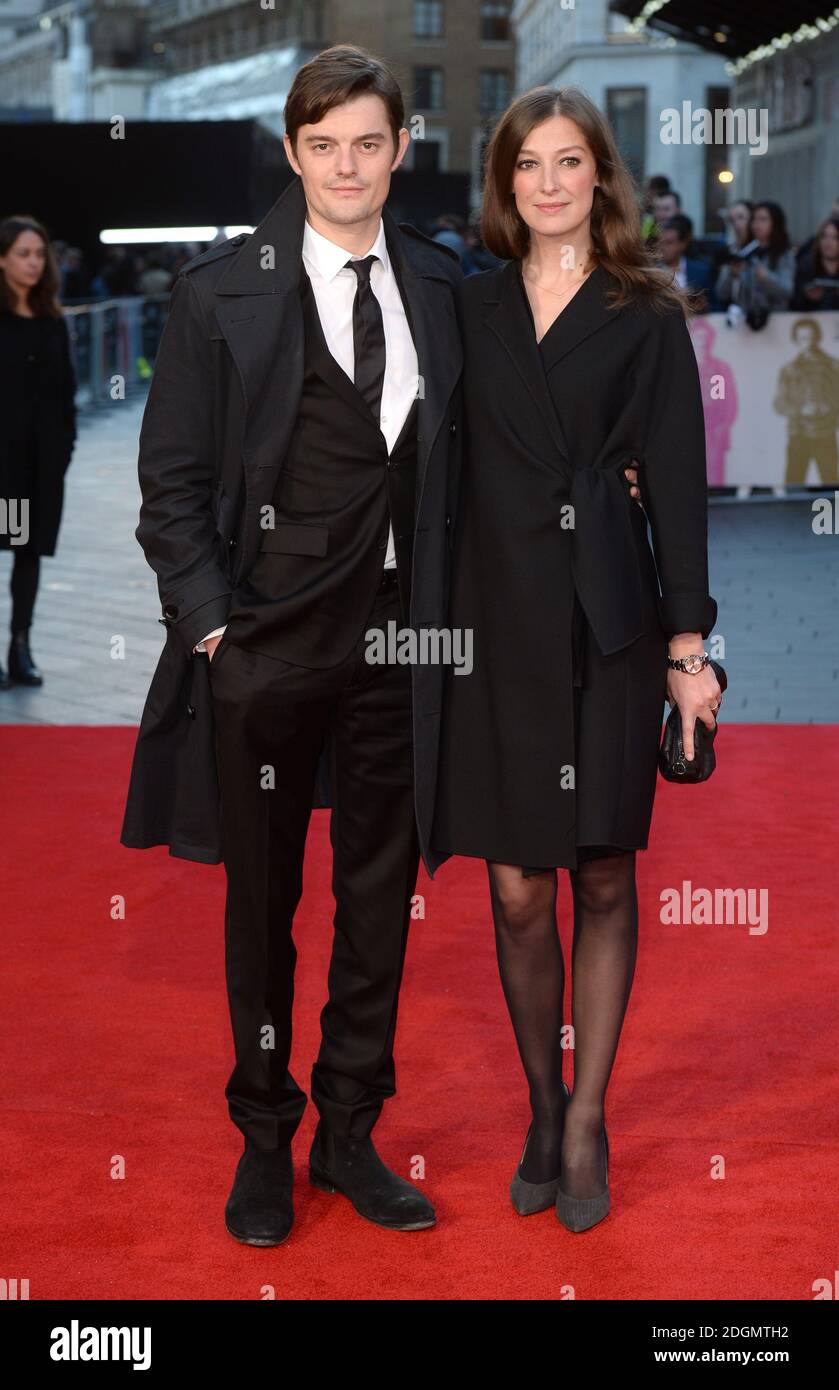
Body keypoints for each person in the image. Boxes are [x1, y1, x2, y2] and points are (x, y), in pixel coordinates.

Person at [120, 45, 464, 1246]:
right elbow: (167, 486)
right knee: (260, 906)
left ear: (400, 148)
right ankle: (263, 1139)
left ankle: (350, 1131)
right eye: (323, 145)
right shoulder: (223, 291)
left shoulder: (440, 279)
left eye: (368, 142)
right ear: (290, 151)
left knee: (378, 900)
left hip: (401, 644)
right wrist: (212, 626)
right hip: (263, 640)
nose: (346, 165)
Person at [431, 85, 721, 1233]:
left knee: (601, 873)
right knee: (512, 889)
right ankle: (540, 1103)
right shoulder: (468, 308)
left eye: (568, 162)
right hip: (492, 622)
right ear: (503, 185)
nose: (547, 183)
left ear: (599, 174)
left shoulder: (646, 313)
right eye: (525, 166)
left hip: (607, 623)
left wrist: (688, 647)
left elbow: (680, 486)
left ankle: (587, 1115)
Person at [0, 214, 77, 689]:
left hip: (40, 464)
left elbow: (65, 392)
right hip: (2, 463)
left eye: (38, 254)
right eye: (23, 254)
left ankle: (20, 647)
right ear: (2, 258)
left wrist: (63, 448)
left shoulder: (51, 318)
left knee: (28, 552)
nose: (34, 263)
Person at [715, 200, 796, 322]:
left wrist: (766, 277)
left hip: (777, 324)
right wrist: (732, 274)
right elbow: (721, 294)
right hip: (744, 323)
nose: (757, 224)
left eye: (763, 220)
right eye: (754, 219)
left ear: (775, 223)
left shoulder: (785, 254)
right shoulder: (741, 252)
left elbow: (787, 291)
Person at [657, 213, 714, 309]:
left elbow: (715, 305)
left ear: (683, 244)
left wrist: (703, 307)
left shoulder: (701, 271)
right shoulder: (652, 273)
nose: (663, 247)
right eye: (660, 242)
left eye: (669, 242)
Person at [791, 217, 839, 312]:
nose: (828, 242)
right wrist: (809, 298)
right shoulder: (805, 267)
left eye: (835, 237)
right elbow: (794, 303)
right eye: (824, 236)